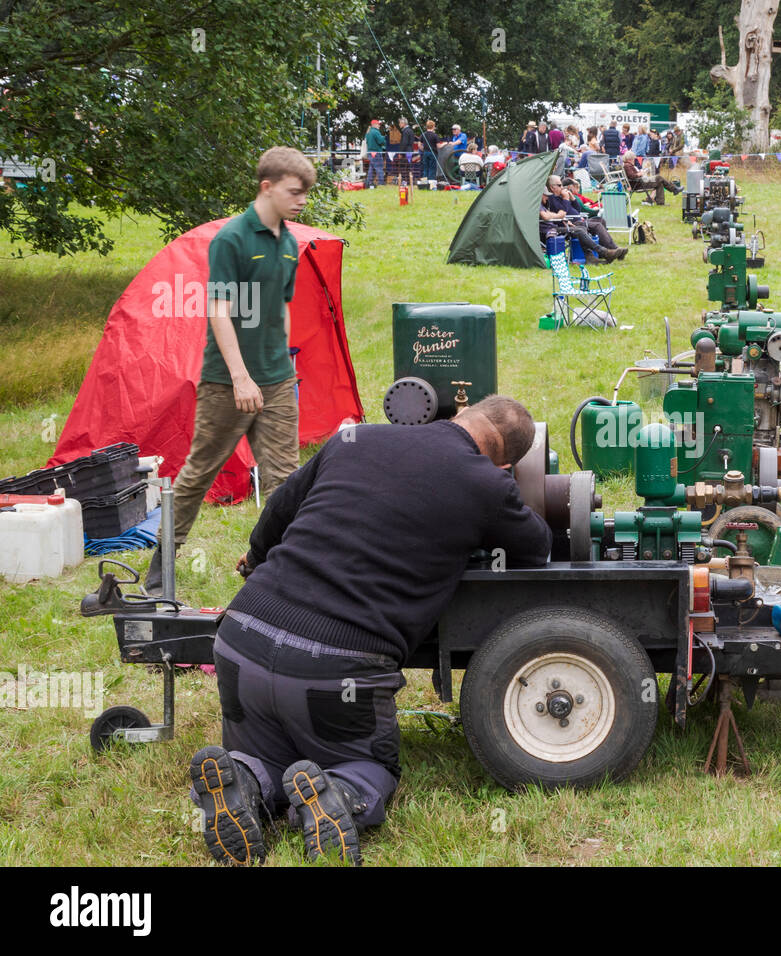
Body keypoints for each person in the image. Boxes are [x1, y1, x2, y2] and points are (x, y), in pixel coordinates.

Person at [188, 396, 553, 866]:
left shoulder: (355, 437)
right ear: (504, 463)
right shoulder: (487, 484)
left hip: (242, 640)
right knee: (369, 764)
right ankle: (341, 792)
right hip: (336, 669)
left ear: (457, 416)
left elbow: (278, 509)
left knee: (266, 756)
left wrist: (256, 559)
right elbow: (537, 548)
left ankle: (242, 779)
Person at [146, 147, 315, 593]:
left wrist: (284, 364)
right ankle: (158, 572)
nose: (302, 201)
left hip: (277, 381)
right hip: (226, 382)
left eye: (306, 194)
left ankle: (279, 575)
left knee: (287, 482)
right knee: (198, 475)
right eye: (294, 192)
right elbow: (218, 310)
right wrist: (241, 376)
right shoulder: (232, 240)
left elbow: (281, 307)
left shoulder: (290, 243)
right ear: (267, 187)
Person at [544, 174, 627, 260]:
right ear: (552, 187)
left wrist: (572, 198)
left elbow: (578, 209)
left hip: (578, 219)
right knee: (597, 225)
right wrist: (566, 199)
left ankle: (606, 251)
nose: (562, 187)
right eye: (559, 185)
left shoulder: (560, 196)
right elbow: (563, 213)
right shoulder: (551, 199)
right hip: (571, 222)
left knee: (600, 220)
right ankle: (613, 250)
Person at [364, 119, 386, 188]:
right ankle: (381, 183)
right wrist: (384, 137)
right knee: (379, 168)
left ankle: (369, 183)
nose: (379, 125)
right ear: (374, 125)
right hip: (376, 153)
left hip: (370, 153)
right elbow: (380, 141)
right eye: (378, 124)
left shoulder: (368, 132)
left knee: (371, 169)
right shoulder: (376, 132)